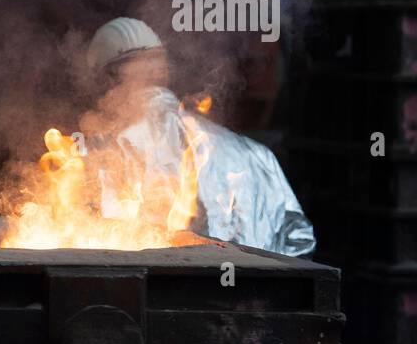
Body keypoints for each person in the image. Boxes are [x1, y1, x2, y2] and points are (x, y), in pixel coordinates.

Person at [83, 17, 315, 257]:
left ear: (107, 80)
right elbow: (300, 240)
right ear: (162, 70)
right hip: (259, 292)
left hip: (167, 292)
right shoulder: (256, 153)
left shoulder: (106, 153)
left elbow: (101, 242)